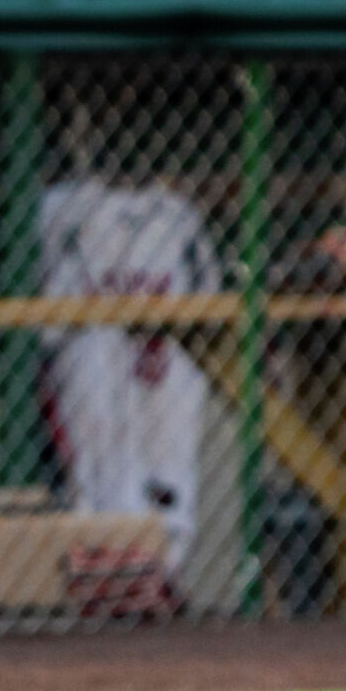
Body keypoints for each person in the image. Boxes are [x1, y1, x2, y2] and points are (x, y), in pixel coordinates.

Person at [39, 176, 223, 580]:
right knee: (96, 452)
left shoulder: (178, 218)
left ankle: (160, 568)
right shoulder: (68, 212)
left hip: (164, 364)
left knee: (167, 471)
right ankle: (102, 562)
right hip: (92, 362)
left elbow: (210, 304)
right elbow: (42, 317)